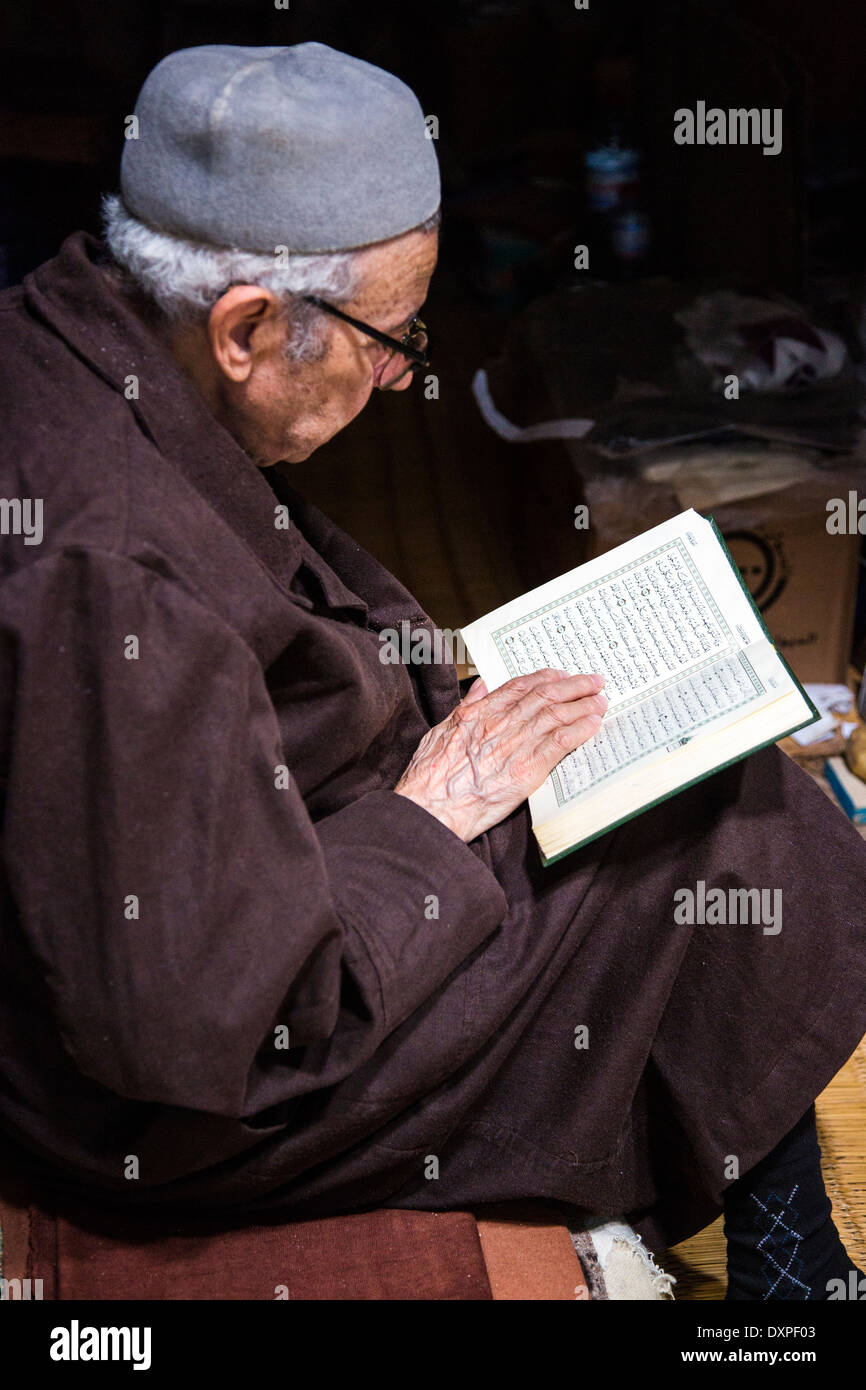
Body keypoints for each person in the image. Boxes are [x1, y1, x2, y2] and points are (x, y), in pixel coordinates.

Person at [0, 42, 864, 1302]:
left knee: (671, 779)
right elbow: (202, 1032)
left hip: (249, 877)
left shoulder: (61, 327)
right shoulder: (110, 579)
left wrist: (431, 691)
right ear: (243, 326)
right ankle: (793, 1276)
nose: (408, 372)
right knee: (719, 823)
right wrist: (427, 816)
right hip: (182, 1108)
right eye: (390, 336)